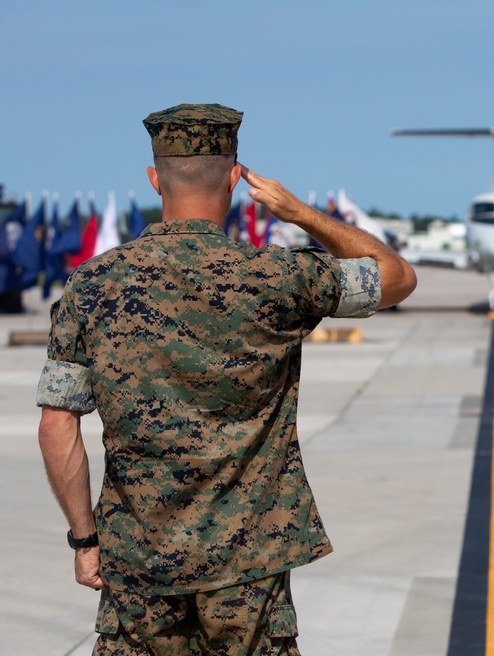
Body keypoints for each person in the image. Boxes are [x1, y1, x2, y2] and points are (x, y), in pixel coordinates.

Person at [36, 103, 417, 655]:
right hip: (249, 562)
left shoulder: (93, 285)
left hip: (138, 557)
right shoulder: (279, 277)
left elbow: (56, 423)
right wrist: (302, 214)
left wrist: (85, 539)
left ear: (154, 179)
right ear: (236, 180)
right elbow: (397, 278)